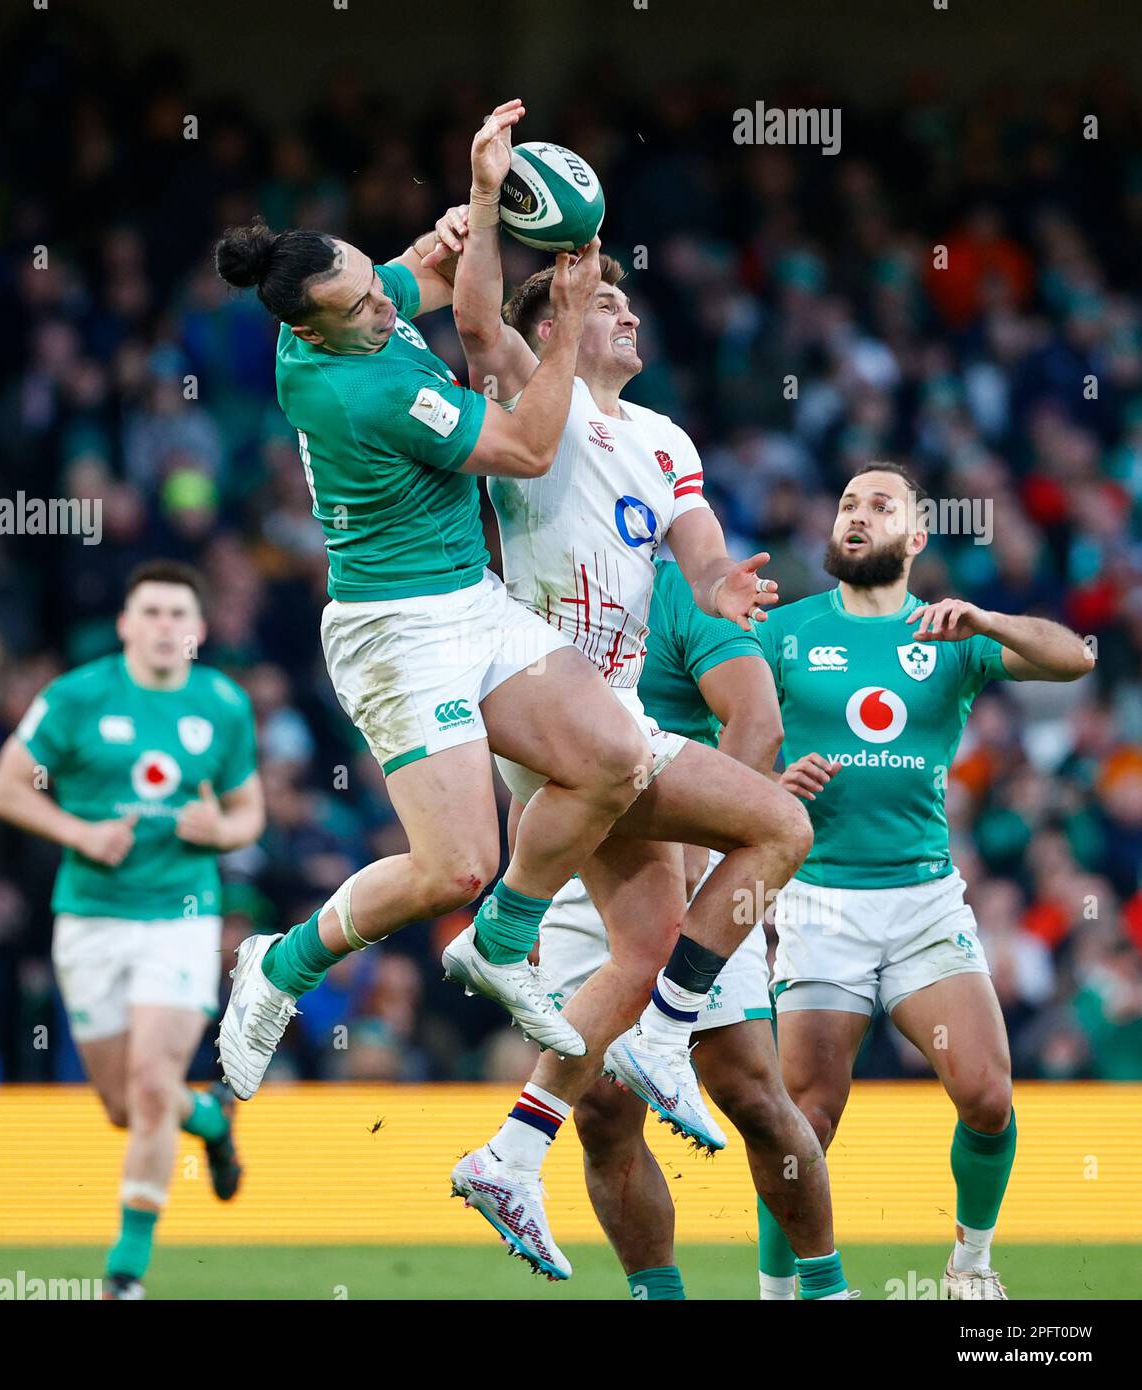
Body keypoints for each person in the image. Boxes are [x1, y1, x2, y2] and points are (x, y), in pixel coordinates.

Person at [444, 102, 825, 1286]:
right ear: (555, 312)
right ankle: (649, 1027)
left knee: (649, 938)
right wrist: (485, 187)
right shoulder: (529, 389)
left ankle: (512, 1148)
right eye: (605, 297)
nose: (624, 305)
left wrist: (727, 583)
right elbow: (469, 316)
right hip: (551, 706)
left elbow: (700, 556)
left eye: (626, 299)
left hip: (614, 715)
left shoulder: (660, 436)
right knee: (779, 822)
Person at [214, 98, 658, 1106]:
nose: (386, 304)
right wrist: (566, 330)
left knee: (614, 758)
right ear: (308, 331)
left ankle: (504, 943)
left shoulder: (338, 310)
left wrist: (478, 199)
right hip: (397, 634)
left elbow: (427, 267)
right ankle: (279, 965)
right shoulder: (360, 391)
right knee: (455, 865)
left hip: (474, 598)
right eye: (366, 305)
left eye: (378, 285)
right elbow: (529, 446)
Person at [741, 462, 1095, 1300]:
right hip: (822, 902)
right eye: (848, 504)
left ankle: (969, 1267)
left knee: (988, 1095)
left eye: (880, 505)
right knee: (805, 1125)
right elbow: (725, 742)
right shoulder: (779, 633)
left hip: (926, 902)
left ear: (916, 536)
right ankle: (777, 1294)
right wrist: (767, 787)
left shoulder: (952, 633)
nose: (857, 515)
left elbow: (1075, 657)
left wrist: (987, 619)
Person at [535, 556, 842, 1300]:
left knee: (749, 1093)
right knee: (604, 1113)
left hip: (680, 870)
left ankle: (827, 1290)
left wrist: (705, 850)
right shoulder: (517, 591)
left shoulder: (677, 588)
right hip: (575, 869)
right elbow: (525, 752)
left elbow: (756, 718)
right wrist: (527, 895)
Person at [0, 560, 265, 1299]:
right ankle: (207, 1119)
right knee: (122, 1105)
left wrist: (221, 829)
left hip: (180, 918)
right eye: (152, 612)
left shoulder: (224, 705)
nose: (166, 626)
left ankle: (124, 1275)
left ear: (199, 631)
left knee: (148, 1086)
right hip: (89, 919)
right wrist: (77, 830)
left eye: (179, 614)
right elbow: (5, 787)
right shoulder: (77, 696)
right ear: (125, 625)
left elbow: (249, 813)